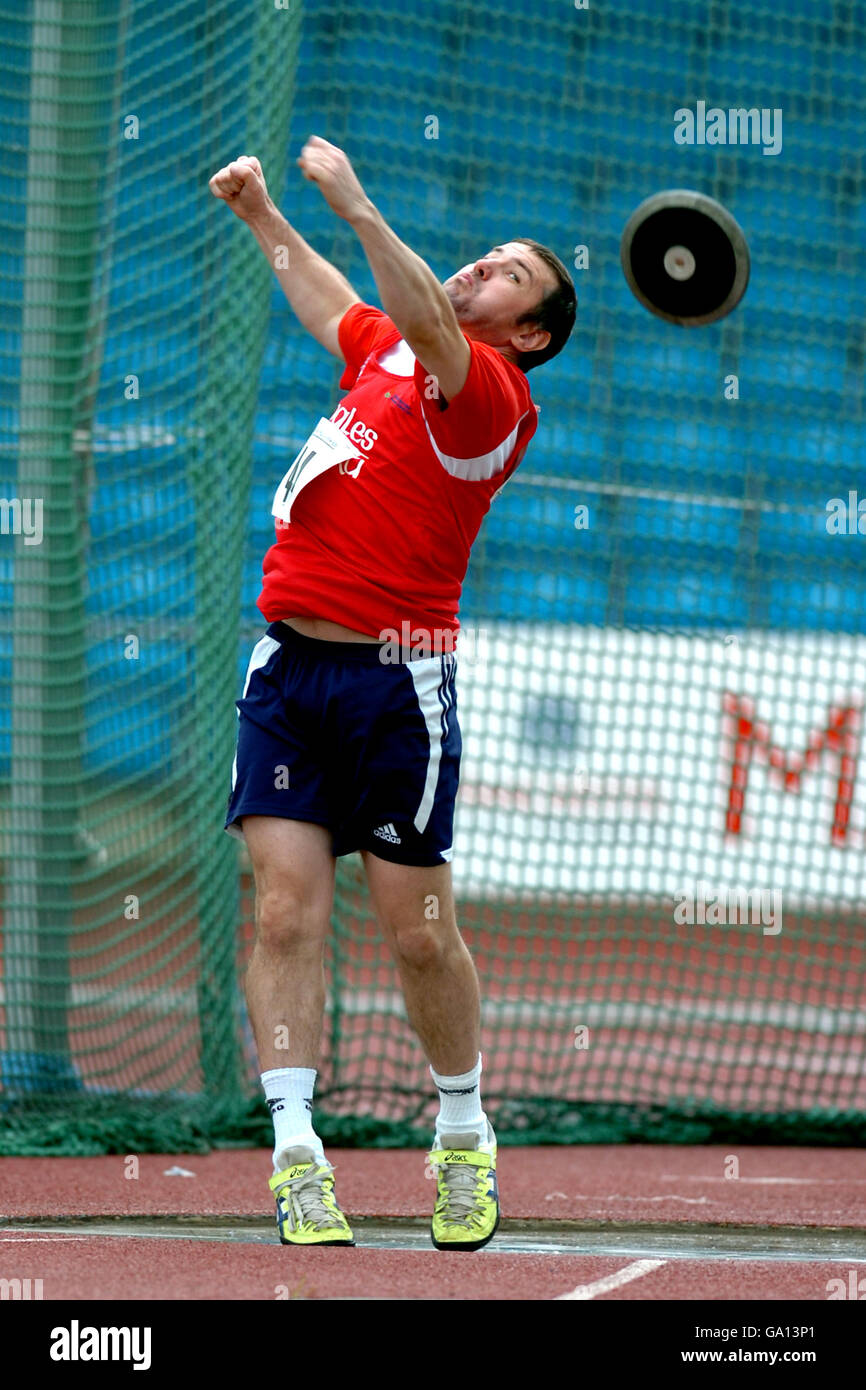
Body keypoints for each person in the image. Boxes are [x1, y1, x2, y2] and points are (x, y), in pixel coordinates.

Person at [208, 138, 576, 1250]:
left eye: (507, 273)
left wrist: (357, 202)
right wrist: (267, 216)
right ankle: (295, 1155)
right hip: (286, 664)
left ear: (529, 332)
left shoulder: (491, 395)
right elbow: (339, 311)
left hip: (395, 681)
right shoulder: (389, 360)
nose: (481, 268)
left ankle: (461, 1134)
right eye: (487, 254)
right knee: (279, 911)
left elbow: (414, 316)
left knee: (418, 933)